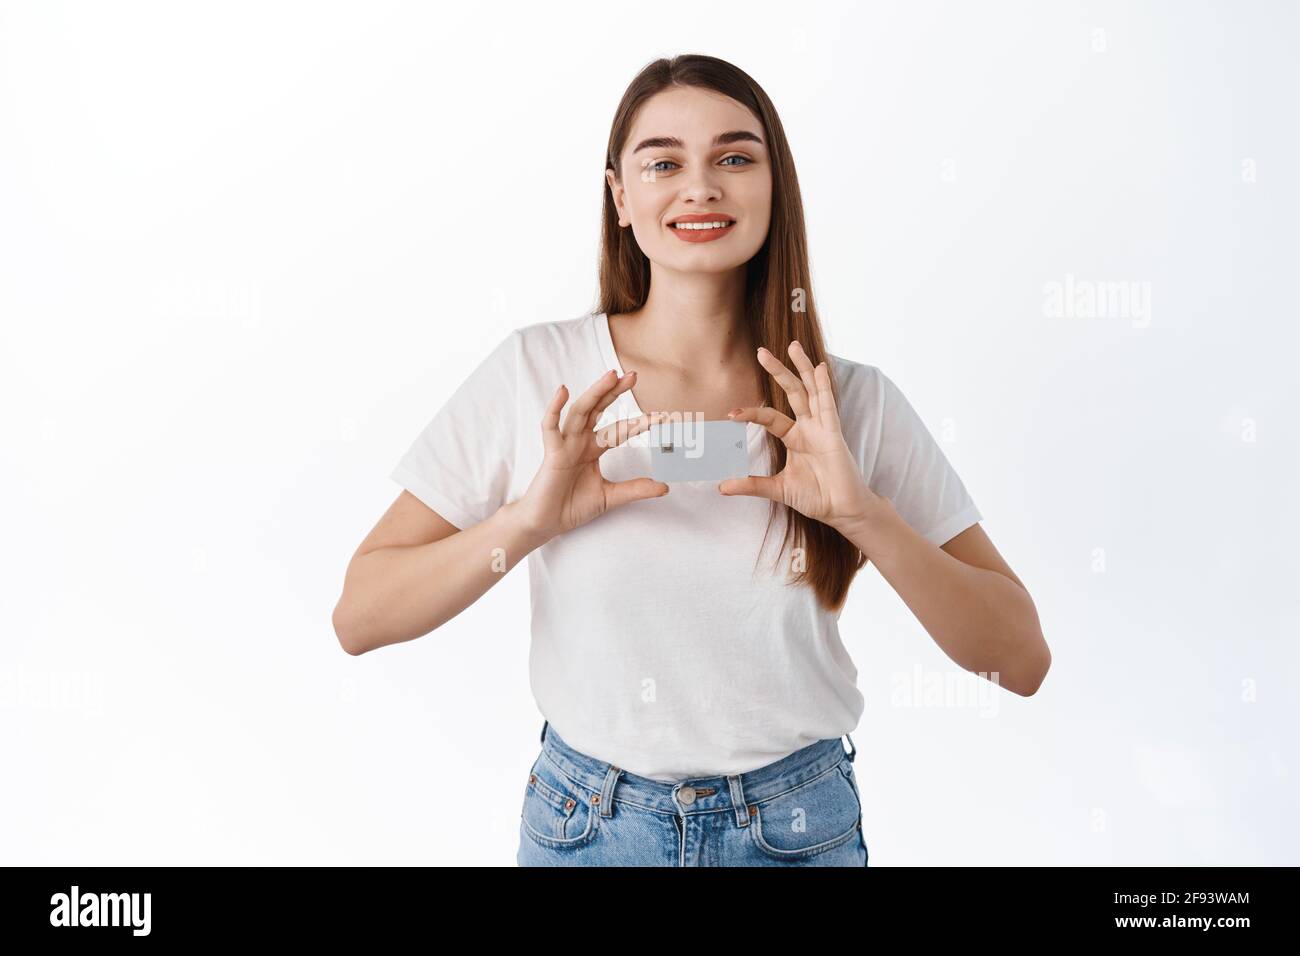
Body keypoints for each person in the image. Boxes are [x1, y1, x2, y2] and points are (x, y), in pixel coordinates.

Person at [332, 54, 1051, 867]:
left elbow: (1019, 659)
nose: (701, 187)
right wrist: (527, 522)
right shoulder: (537, 374)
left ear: (775, 185)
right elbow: (360, 617)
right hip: (588, 831)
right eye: (665, 163)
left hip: (797, 831)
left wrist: (864, 518)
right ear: (620, 197)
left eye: (735, 159)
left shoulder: (845, 403)